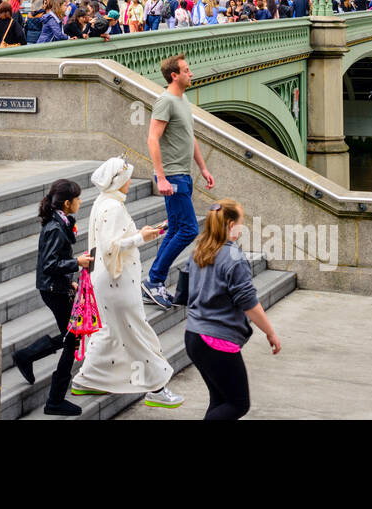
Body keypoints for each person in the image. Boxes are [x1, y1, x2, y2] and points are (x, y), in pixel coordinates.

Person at [70, 157, 184, 409]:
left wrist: (139, 234)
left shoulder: (105, 202)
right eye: (127, 177)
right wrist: (140, 238)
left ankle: (85, 379)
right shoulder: (113, 207)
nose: (130, 181)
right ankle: (157, 388)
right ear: (119, 180)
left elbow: (111, 240)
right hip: (117, 282)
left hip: (110, 280)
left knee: (111, 332)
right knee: (136, 333)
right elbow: (112, 246)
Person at [184, 198, 281, 420]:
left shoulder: (198, 251)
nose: (242, 227)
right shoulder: (234, 258)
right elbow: (249, 303)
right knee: (238, 404)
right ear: (230, 225)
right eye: (241, 222)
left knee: (220, 400)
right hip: (216, 340)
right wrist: (270, 332)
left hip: (194, 336)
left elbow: (184, 293)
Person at [11, 179, 93, 416]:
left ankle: (26, 355)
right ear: (67, 203)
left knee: (71, 335)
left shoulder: (61, 221)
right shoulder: (56, 228)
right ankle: (55, 400)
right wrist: (76, 263)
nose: (80, 202)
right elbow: (50, 264)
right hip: (53, 291)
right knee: (72, 339)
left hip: (58, 287)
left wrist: (70, 279)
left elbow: (56, 262)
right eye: (77, 199)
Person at [143, 54, 215, 309]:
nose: (191, 73)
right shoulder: (165, 102)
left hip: (183, 174)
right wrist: (160, 176)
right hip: (172, 176)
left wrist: (203, 167)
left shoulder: (182, 100)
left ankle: (153, 281)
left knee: (176, 229)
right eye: (186, 70)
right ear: (174, 75)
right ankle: (154, 280)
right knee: (188, 229)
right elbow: (153, 139)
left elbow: (189, 136)